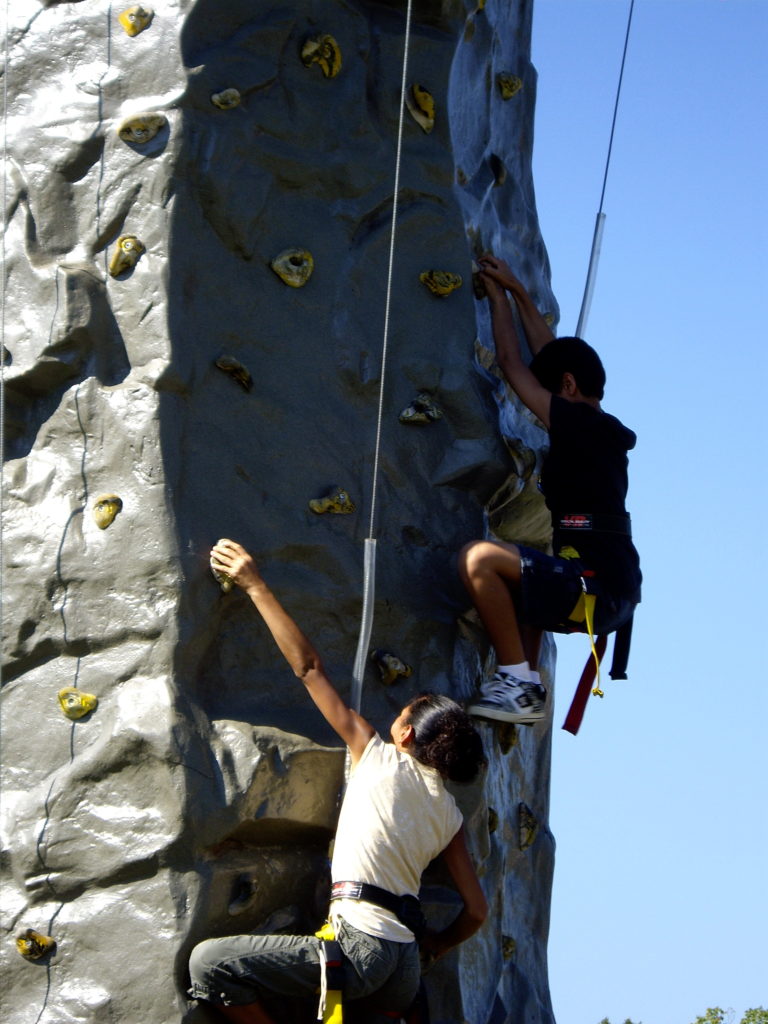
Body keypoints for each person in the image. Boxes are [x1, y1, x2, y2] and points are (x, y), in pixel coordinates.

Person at [188, 539, 488, 1024]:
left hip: (360, 948)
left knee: (212, 965)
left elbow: (308, 668)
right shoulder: (450, 813)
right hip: (404, 967)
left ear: (407, 733)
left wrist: (254, 584)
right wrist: (434, 946)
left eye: (403, 711)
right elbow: (475, 911)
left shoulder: (376, 755)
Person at [458, 255, 642, 725]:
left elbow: (512, 364)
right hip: (604, 588)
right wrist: (518, 289)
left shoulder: (580, 423)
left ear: (568, 386)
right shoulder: (597, 425)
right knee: (529, 574)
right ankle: (529, 681)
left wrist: (497, 298)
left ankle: (518, 680)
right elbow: (552, 353)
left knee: (479, 559)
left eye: (552, 390)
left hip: (596, 589)